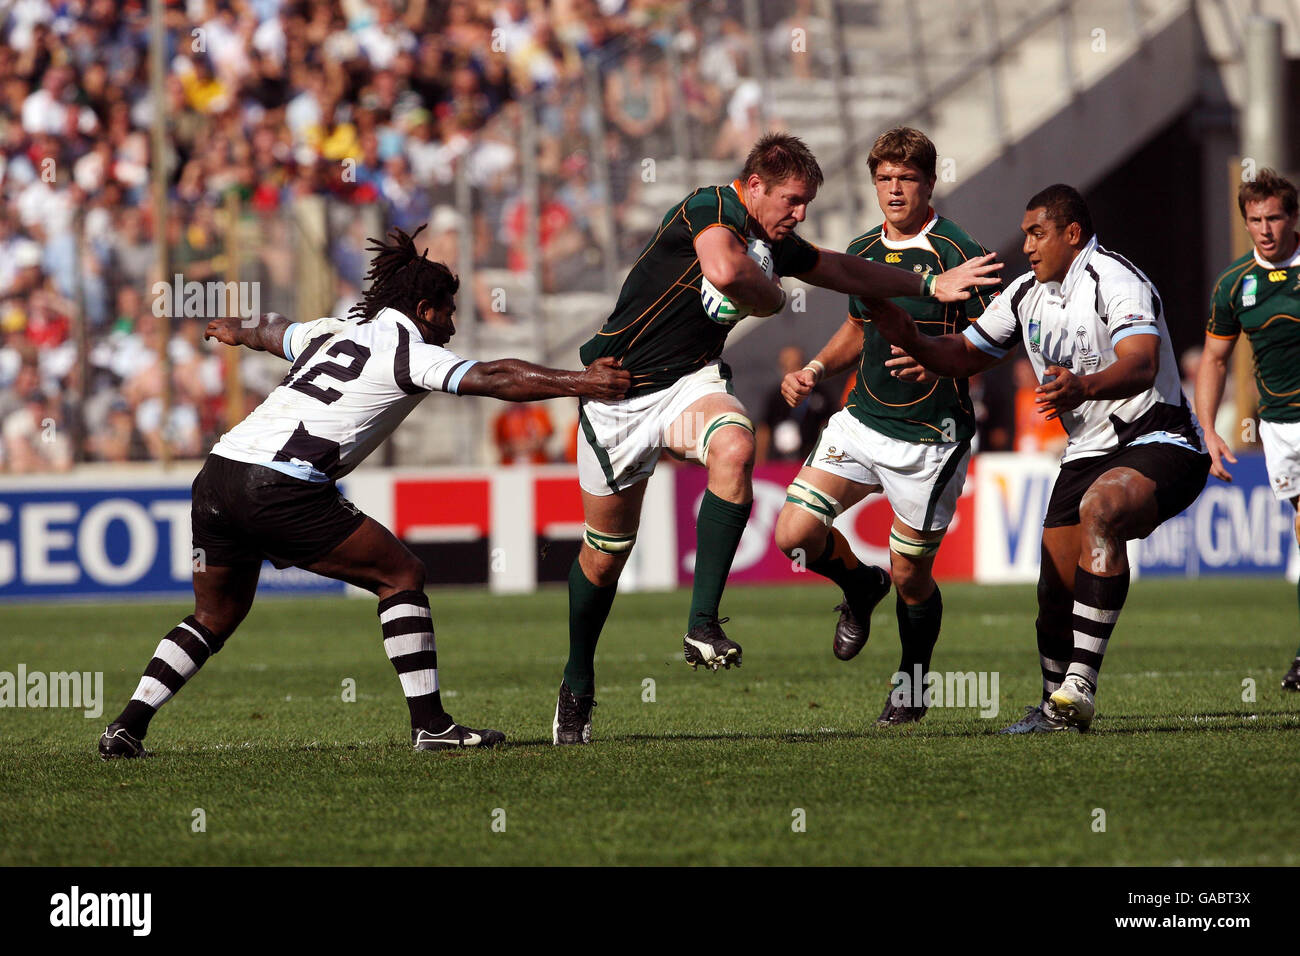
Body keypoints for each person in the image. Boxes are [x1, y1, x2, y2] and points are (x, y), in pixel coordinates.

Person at [98, 225, 630, 759]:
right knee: (401, 574)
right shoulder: (408, 353)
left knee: (213, 615)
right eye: (448, 310)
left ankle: (126, 725)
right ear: (425, 309)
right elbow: (496, 377)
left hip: (218, 474)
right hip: (281, 485)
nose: (452, 323)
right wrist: (579, 382)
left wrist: (240, 329)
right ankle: (431, 724)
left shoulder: (333, 331)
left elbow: (276, 330)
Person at [553, 131, 1000, 745]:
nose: (800, 215)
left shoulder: (789, 241)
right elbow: (724, 267)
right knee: (603, 560)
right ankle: (577, 684)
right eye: (792, 200)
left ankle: (704, 624)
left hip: (693, 385)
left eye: (807, 203)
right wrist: (769, 298)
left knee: (736, 445)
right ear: (755, 186)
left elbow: (839, 269)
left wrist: (926, 288)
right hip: (616, 395)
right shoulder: (708, 207)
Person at [872, 184, 1210, 733]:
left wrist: (1084, 387)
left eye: (1037, 233)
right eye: (1025, 233)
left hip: (1158, 435)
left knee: (1102, 509)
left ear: (1072, 234)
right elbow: (967, 352)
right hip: (1087, 450)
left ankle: (1081, 685)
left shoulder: (1117, 280)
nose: (1027, 245)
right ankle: (1056, 709)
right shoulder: (1027, 292)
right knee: (1054, 587)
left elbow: (1142, 363)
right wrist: (916, 342)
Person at [774, 127, 998, 726]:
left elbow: (990, 343)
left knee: (911, 572)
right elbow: (858, 326)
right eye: (884, 179)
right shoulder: (862, 249)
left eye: (906, 179)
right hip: (863, 421)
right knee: (793, 533)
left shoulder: (961, 254)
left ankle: (913, 685)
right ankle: (857, 585)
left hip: (932, 438)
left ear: (929, 183)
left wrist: (934, 355)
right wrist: (818, 367)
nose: (894, 190)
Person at [1194, 169, 1300, 692]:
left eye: (1275, 217)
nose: (1265, 229)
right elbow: (1214, 359)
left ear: (1293, 217)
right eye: (1255, 220)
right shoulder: (1234, 283)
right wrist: (1209, 430)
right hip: (1279, 428)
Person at [755, 345, 834, 463]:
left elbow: (828, 426)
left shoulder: (820, 394)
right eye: (787, 366)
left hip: (810, 459)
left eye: (796, 365)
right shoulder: (775, 397)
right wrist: (759, 464)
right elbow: (764, 431)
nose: (792, 371)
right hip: (779, 462)